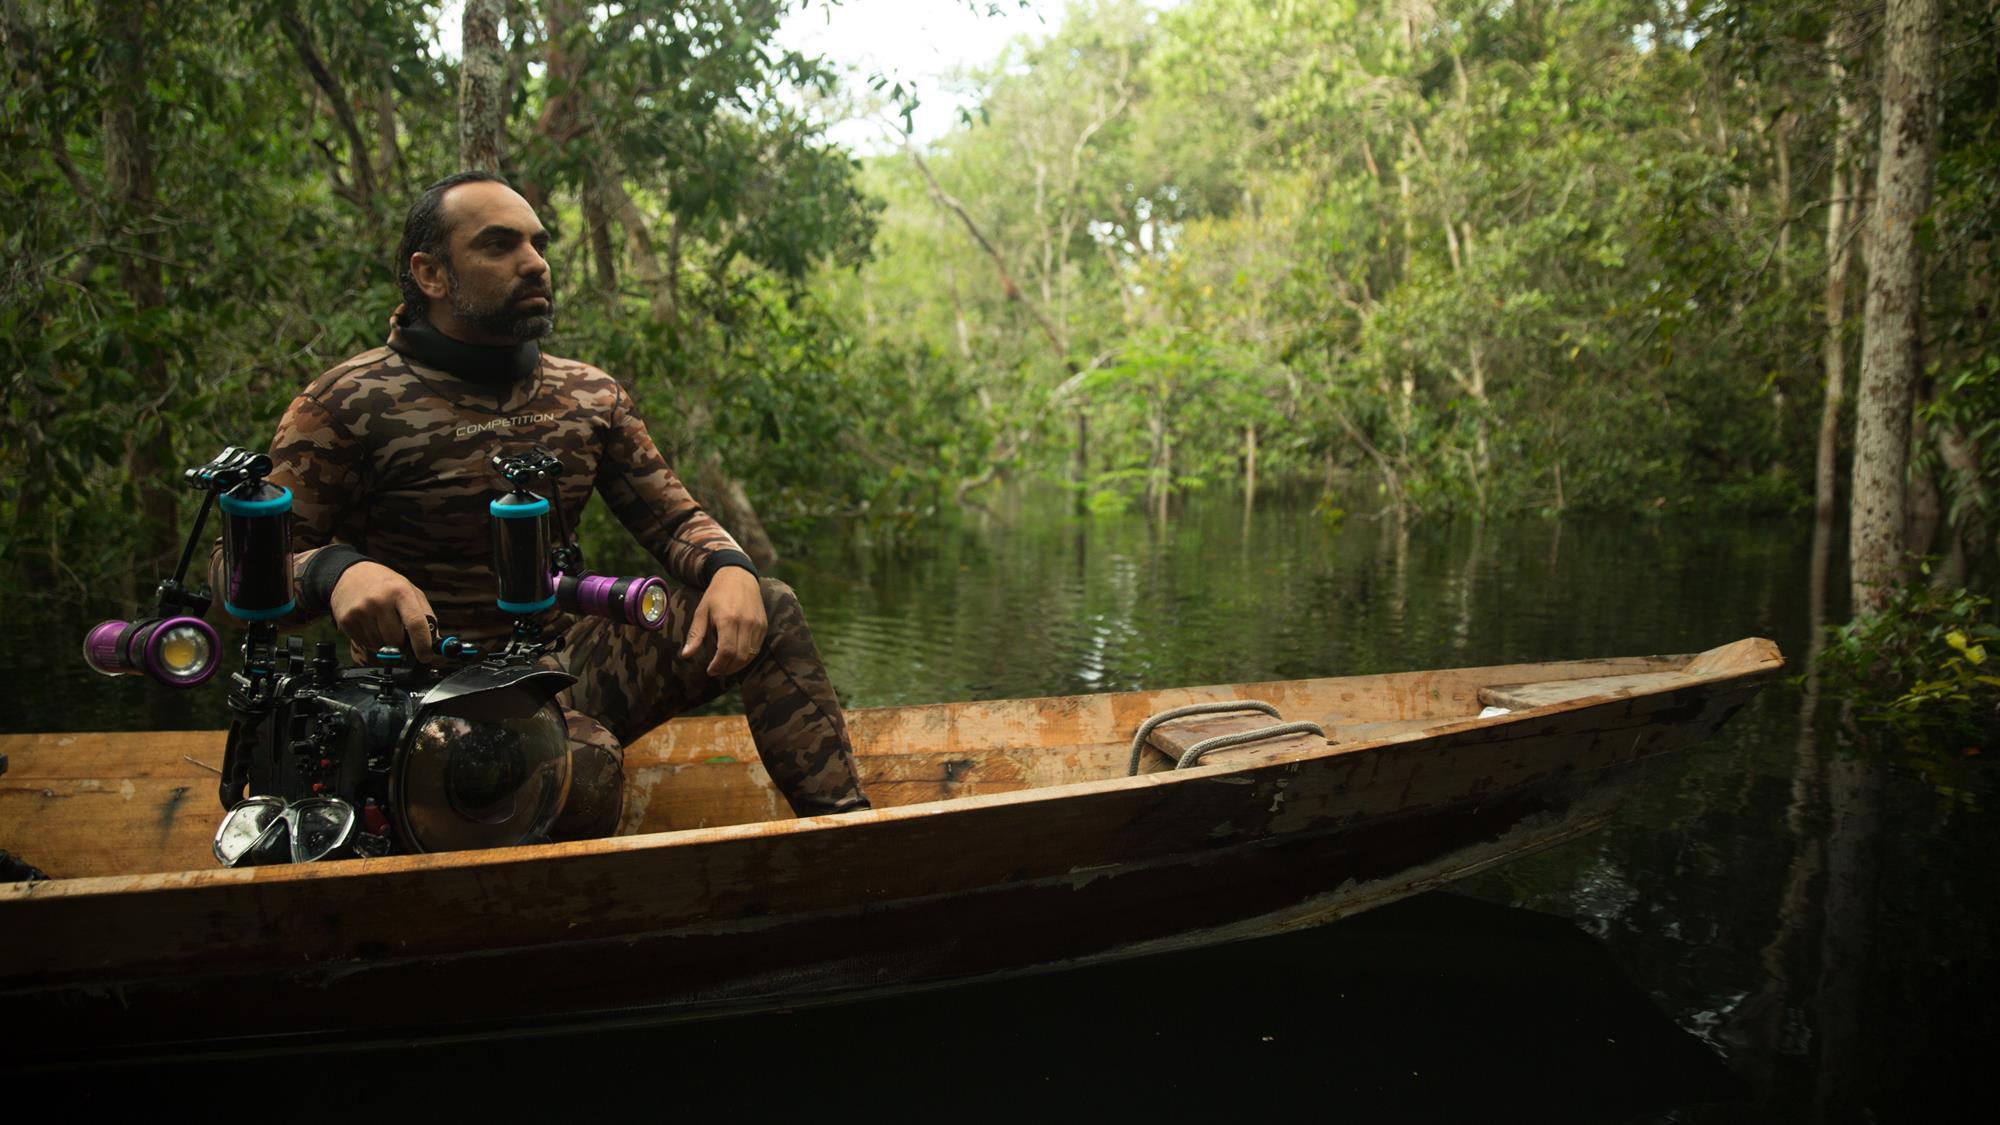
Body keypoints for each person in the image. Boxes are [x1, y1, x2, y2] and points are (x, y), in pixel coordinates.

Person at [232, 170, 870, 839]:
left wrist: (728, 568)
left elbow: (676, 519)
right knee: (583, 761)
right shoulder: (346, 402)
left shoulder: (589, 395)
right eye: (500, 245)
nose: (534, 262)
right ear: (431, 273)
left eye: (538, 243)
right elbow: (238, 567)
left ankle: (852, 844)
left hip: (559, 663)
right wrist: (338, 572)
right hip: (417, 697)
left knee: (768, 604)